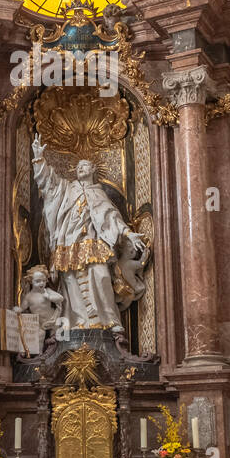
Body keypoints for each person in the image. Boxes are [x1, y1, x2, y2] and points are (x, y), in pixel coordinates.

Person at [32, 136, 145, 333]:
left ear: (93, 169)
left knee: (100, 275)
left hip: (93, 241)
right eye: (78, 167)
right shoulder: (66, 188)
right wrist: (39, 158)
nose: (80, 168)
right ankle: (78, 323)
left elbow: (110, 217)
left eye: (85, 165)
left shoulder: (99, 193)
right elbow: (48, 183)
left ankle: (108, 320)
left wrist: (128, 233)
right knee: (71, 283)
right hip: (69, 242)